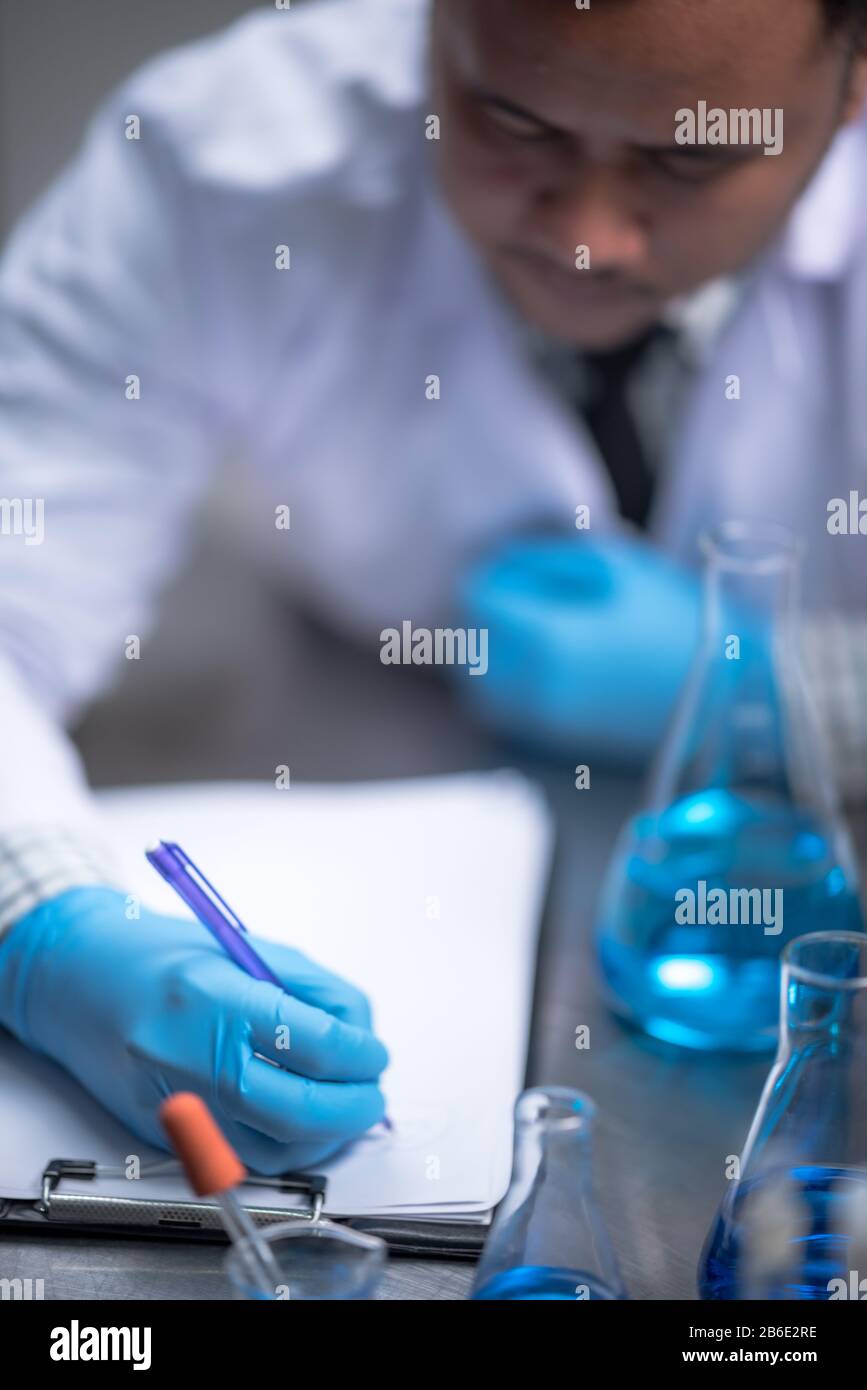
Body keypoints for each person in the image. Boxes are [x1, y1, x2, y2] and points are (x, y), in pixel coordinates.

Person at [1, 0, 866, 1168]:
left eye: (691, 154)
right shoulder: (224, 163)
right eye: (513, 119)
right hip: (363, 756)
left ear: (854, 82)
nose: (587, 240)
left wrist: (812, 687)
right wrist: (42, 925)